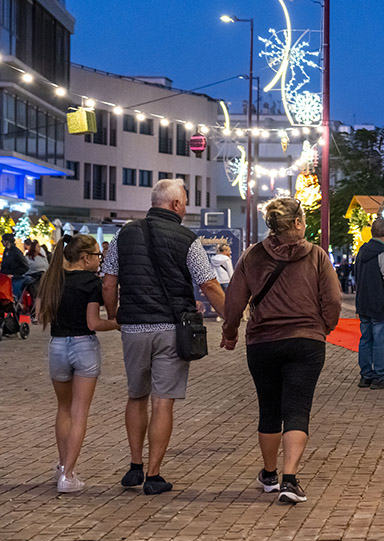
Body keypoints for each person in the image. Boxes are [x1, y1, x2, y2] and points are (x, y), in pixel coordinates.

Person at [101, 179, 226, 495]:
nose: (184, 206)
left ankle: (134, 467)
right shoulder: (187, 239)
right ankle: (154, 475)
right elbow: (209, 285)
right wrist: (232, 320)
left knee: (136, 395)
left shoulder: (123, 235)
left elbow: (108, 282)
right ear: (175, 205)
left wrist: (115, 314)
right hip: (171, 328)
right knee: (163, 402)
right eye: (184, 201)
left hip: (133, 328)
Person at [221, 197, 341, 505]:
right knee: (297, 409)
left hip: (262, 342)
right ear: (298, 223)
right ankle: (290, 479)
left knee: (269, 408)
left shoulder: (252, 256)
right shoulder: (317, 256)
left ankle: (269, 474)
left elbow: (234, 301)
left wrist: (230, 333)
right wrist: (323, 327)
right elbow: (333, 300)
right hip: (306, 341)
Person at [36, 235, 120, 493]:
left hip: (58, 346)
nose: (100, 260)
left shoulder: (51, 281)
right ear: (85, 259)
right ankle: (68, 475)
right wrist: (119, 323)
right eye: (97, 256)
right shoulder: (90, 283)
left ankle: (62, 467)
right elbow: (94, 323)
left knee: (63, 409)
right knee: (79, 412)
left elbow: (39, 315)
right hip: (84, 346)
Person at [354, 218, 384, 390]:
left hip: (364, 302)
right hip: (380, 303)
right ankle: (379, 375)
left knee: (366, 339)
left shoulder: (362, 252)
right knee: (381, 340)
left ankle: (366, 375)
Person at [1, 232, 30, 299]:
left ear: (7, 241)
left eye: (3, 241)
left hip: (15, 280)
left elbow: (25, 266)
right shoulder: (6, 251)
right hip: (6, 278)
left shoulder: (16, 252)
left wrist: (14, 274)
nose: (1, 242)